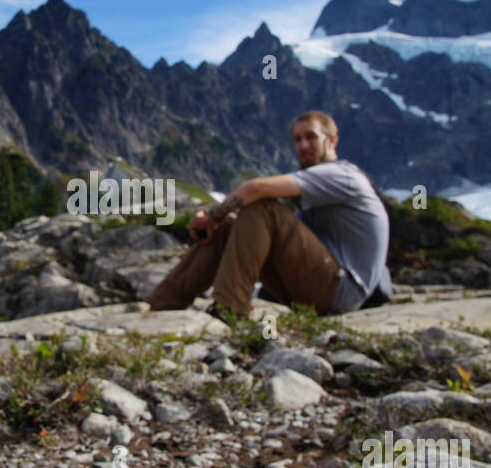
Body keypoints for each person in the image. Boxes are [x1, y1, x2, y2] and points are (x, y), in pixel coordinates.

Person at [146, 110, 392, 319]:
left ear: (332, 141)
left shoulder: (341, 175)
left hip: (341, 291)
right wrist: (223, 222)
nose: (303, 145)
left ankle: (229, 309)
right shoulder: (318, 186)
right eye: (297, 139)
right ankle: (163, 305)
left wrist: (212, 216)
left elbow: (255, 188)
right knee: (230, 226)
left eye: (311, 137)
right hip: (319, 286)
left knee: (261, 205)